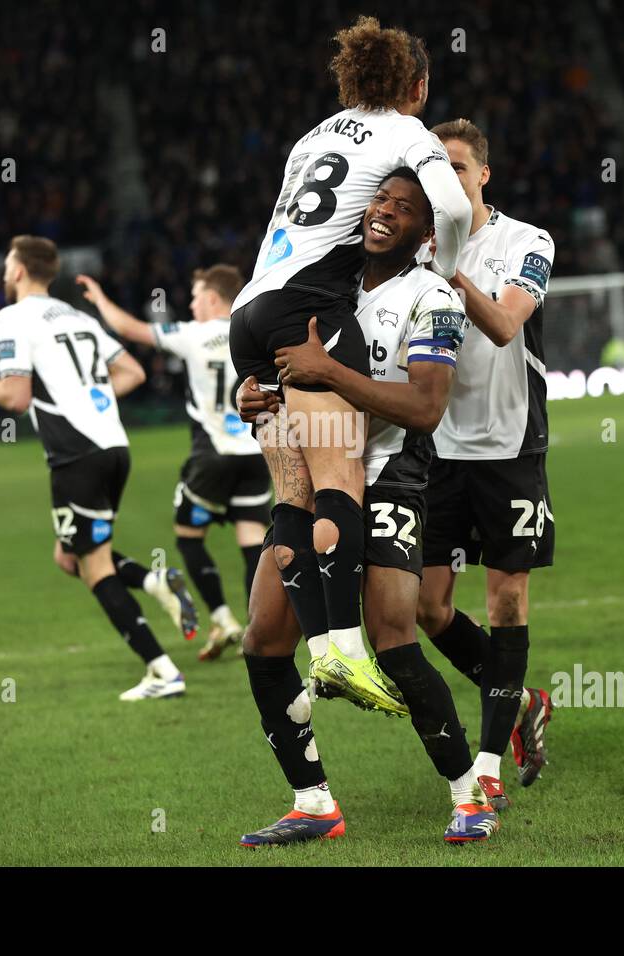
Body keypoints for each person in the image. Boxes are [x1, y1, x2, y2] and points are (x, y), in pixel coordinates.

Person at [236, 169, 498, 846]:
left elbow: (425, 407)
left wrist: (330, 374)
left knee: (394, 640)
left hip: (389, 473)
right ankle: (314, 803)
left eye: (404, 208)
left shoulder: (432, 295)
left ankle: (468, 796)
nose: (383, 211)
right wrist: (254, 398)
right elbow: (283, 381)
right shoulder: (326, 280)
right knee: (263, 641)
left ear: (425, 234)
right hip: (319, 473)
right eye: (380, 199)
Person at [228, 16, 472, 713]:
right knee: (341, 476)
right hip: (306, 310)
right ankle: (342, 649)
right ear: (417, 86)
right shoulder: (407, 135)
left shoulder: (312, 137)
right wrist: (442, 269)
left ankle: (326, 657)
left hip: (250, 310)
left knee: (293, 493)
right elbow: (451, 204)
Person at [0, 236, 194, 701]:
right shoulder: (77, 315)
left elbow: (16, 397)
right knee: (68, 556)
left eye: (8, 264)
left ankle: (162, 669)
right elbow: (133, 373)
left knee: (94, 568)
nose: (5, 273)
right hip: (113, 447)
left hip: (76, 454)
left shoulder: (12, 317)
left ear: (21, 271)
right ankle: (155, 581)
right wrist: (85, 394)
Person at [416, 120, 557, 809]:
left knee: (505, 601)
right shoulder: (408, 248)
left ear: (484, 175)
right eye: (436, 168)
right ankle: (522, 699)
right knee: (426, 607)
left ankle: (489, 761)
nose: (449, 177)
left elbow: (504, 325)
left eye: (460, 166)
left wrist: (448, 268)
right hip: (436, 450)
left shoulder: (527, 241)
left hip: (509, 449)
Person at [76, 266, 270, 662]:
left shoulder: (192, 334)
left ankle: (222, 619)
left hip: (211, 456)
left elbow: (133, 330)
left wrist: (99, 300)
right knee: (252, 540)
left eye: (197, 296)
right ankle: (257, 630)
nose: (191, 303)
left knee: (187, 536)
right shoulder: (255, 329)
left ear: (213, 299)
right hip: (255, 452)